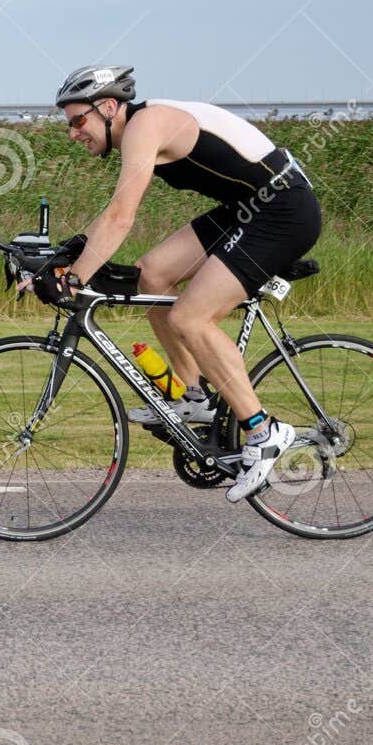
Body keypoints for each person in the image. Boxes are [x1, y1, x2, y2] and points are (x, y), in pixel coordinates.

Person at [43, 66, 322, 503]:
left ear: (110, 107)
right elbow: (112, 217)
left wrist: (76, 276)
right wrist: (71, 263)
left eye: (79, 120)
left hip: (283, 210)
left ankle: (264, 432)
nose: (74, 132)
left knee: (192, 316)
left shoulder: (144, 126)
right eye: (69, 124)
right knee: (151, 274)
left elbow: (121, 216)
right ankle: (195, 397)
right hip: (248, 207)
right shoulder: (141, 127)